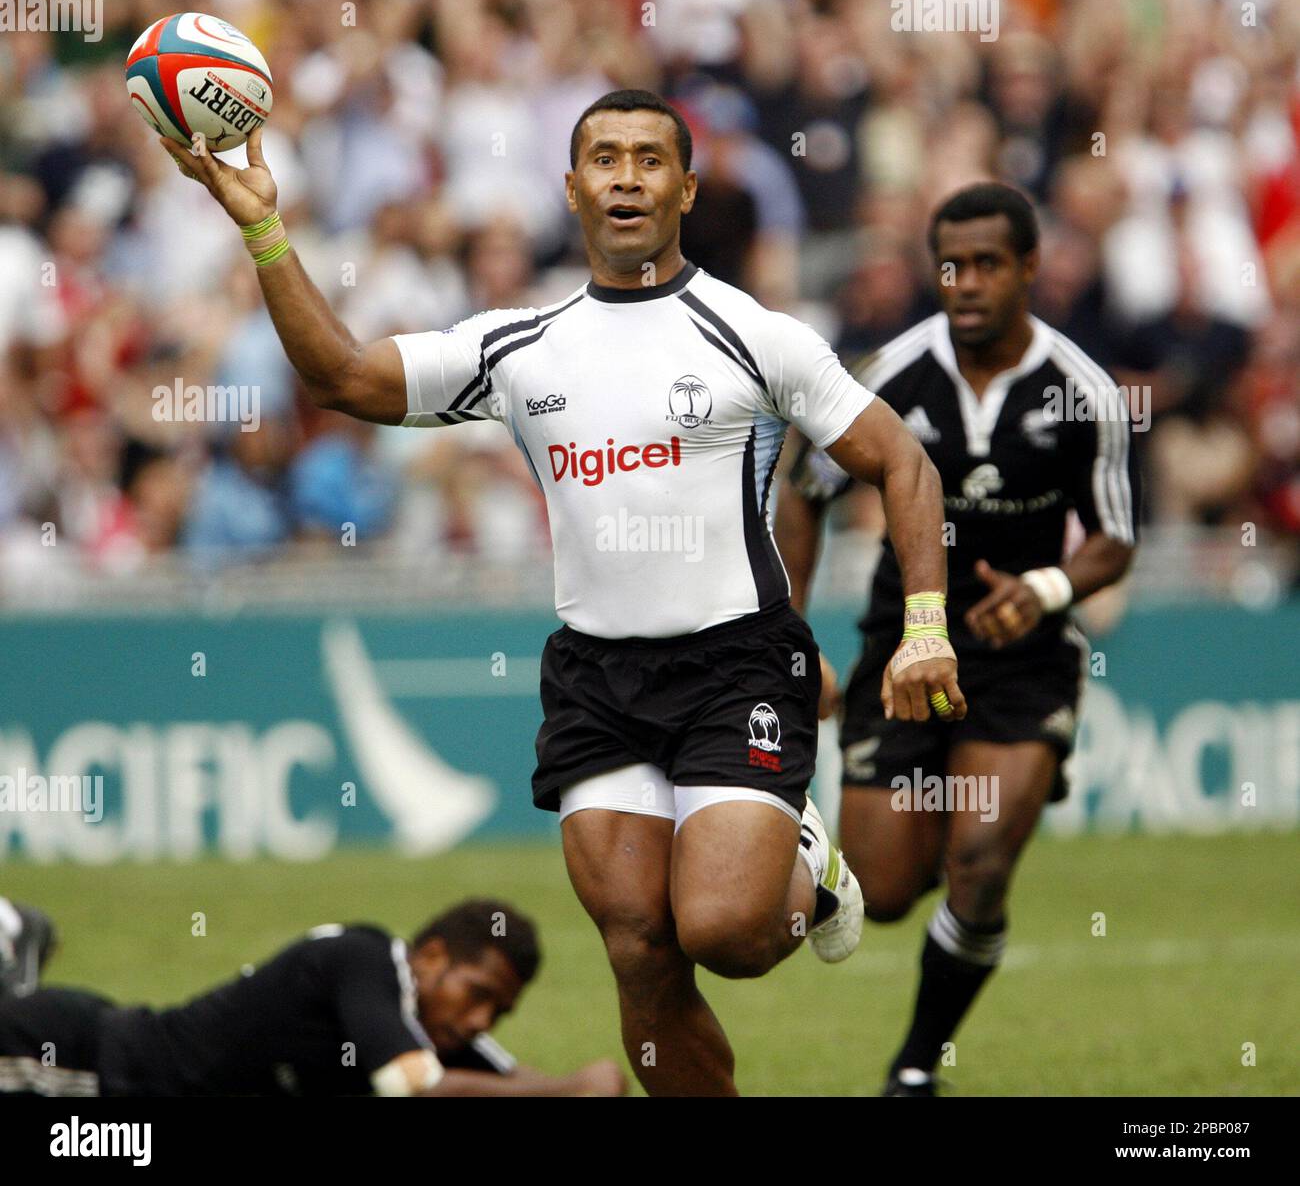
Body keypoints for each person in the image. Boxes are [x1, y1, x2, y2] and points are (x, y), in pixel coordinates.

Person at [160, 88, 962, 1097]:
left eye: (649, 159)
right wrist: (263, 226)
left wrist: (923, 627)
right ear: (571, 184)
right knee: (638, 949)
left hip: (737, 663)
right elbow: (346, 378)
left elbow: (904, 464)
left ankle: (810, 852)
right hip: (596, 679)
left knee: (725, 931)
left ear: (685, 187)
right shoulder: (518, 344)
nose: (627, 176)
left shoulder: (755, 334)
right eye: (606, 158)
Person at [775, 182, 1139, 1096]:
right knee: (888, 892)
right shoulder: (888, 375)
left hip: (1023, 658)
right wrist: (786, 632)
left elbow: (1113, 538)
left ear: (1027, 268)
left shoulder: (1084, 390)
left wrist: (1048, 588)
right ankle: (911, 844)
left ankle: (914, 1070)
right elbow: (805, 489)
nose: (965, 282)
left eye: (986, 264)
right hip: (904, 649)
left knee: (978, 869)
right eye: (950, 265)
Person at [0, 897, 625, 1097]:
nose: (481, 1019)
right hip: (85, 1069)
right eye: (478, 993)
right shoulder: (365, 958)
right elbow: (418, 1086)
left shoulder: (430, 1035)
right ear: (429, 955)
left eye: (499, 1012)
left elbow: (527, 1088)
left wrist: (593, 1084)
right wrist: (572, 1087)